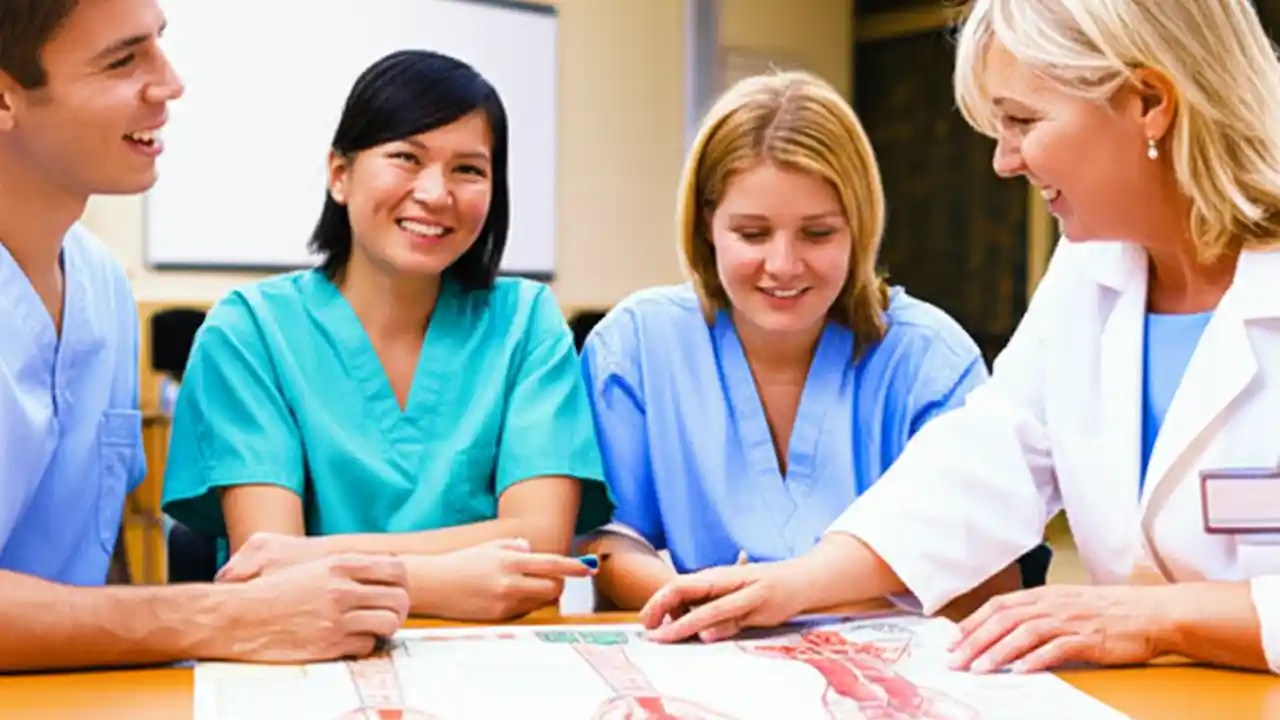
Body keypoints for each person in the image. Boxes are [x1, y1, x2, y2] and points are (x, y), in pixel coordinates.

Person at [638, 0, 1280, 675]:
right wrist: (791, 583)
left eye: (1023, 122)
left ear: (1148, 101)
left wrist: (1156, 619)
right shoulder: (1091, 274)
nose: (1003, 161)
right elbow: (984, 466)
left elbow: (1147, 612)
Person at [0, 0, 410, 671]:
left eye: (160, 45)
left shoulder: (101, 288)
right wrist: (220, 618)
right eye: (123, 59)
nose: (171, 82)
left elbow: (97, 559)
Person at [161, 49, 611, 622]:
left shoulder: (525, 321)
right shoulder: (250, 331)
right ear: (340, 175)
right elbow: (266, 573)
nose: (435, 193)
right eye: (406, 157)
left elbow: (541, 546)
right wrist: (444, 580)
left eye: (468, 169)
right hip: (308, 662)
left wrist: (316, 562)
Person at [579, 71, 1021, 610]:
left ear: (859, 227)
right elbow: (607, 540)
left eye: (818, 233)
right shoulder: (637, 347)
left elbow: (989, 578)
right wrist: (703, 602)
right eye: (752, 234)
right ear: (705, 227)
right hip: (701, 652)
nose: (783, 266)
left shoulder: (930, 361)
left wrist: (790, 599)